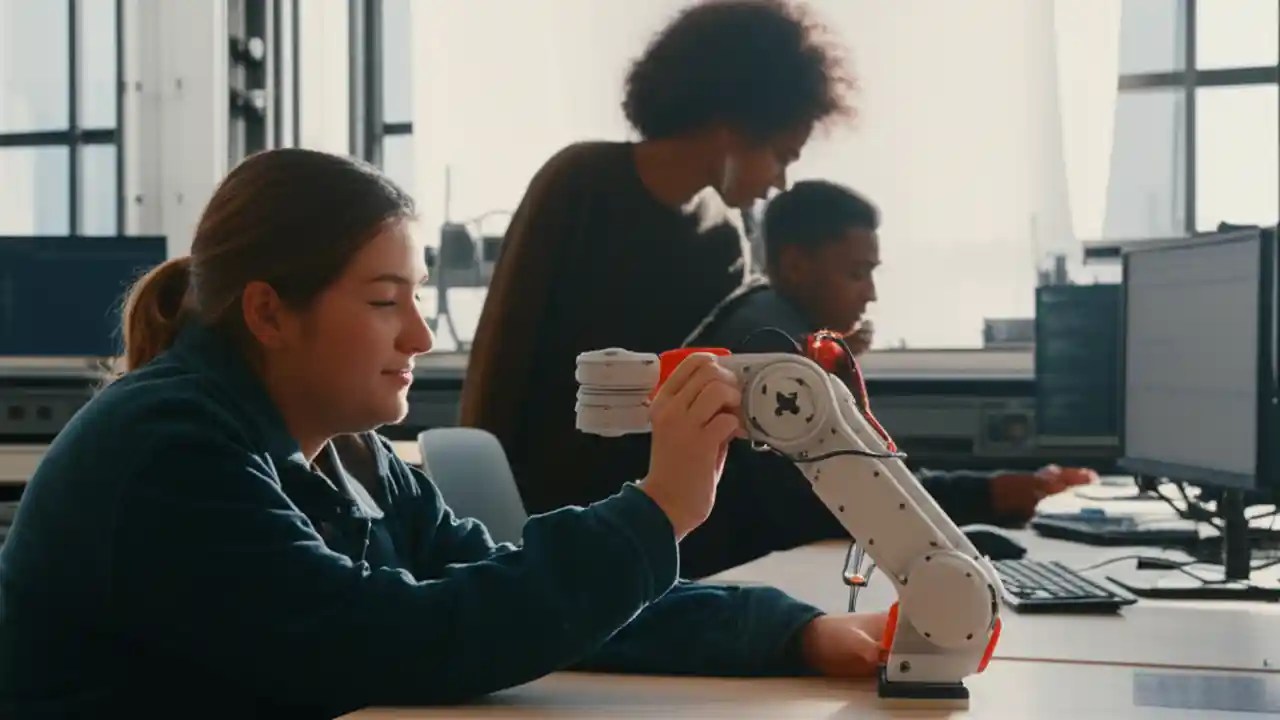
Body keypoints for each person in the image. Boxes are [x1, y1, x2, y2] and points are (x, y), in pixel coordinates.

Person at [0, 150, 896, 718]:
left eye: (417, 299)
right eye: (386, 302)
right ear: (269, 313)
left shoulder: (352, 453)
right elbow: (396, 643)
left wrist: (787, 634)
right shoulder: (167, 453)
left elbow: (507, 593)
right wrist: (657, 511)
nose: (421, 338)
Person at [460, 0, 854, 518]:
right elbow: (502, 355)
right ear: (733, 126)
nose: (781, 180)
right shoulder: (581, 184)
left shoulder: (724, 234)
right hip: (545, 501)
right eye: (781, 155)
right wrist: (476, 517)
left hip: (656, 503)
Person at [678, 179, 1096, 576]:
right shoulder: (773, 353)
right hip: (737, 579)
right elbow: (833, 504)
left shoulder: (774, 327)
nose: (871, 293)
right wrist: (993, 496)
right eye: (858, 273)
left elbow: (867, 478)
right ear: (795, 267)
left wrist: (996, 491)